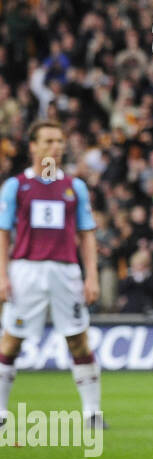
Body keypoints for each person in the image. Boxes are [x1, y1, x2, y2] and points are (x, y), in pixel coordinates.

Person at [0, 120, 104, 431]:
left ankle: (92, 413)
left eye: (59, 141)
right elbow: (3, 233)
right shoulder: (16, 186)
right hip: (26, 270)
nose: (55, 147)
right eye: (47, 141)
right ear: (33, 146)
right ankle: (1, 413)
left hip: (65, 271)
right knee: (11, 342)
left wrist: (92, 277)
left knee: (78, 340)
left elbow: (87, 234)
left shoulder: (76, 187)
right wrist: (2, 275)